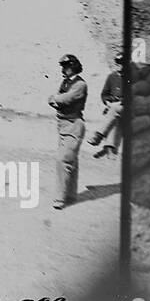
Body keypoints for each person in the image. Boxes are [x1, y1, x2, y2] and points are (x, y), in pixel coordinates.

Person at [48, 54, 88, 210]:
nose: (63, 70)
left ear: (74, 67)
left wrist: (55, 98)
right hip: (63, 124)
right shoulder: (66, 82)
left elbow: (65, 99)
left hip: (74, 124)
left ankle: (59, 198)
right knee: (71, 160)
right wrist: (56, 99)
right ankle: (70, 195)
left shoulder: (80, 85)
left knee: (62, 159)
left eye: (66, 67)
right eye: (62, 67)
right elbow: (59, 99)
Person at [89, 51, 124, 159]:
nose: (119, 66)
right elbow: (104, 94)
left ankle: (98, 135)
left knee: (114, 110)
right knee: (113, 114)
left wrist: (119, 102)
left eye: (122, 63)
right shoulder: (111, 76)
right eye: (117, 63)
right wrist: (107, 102)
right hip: (113, 106)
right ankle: (110, 150)